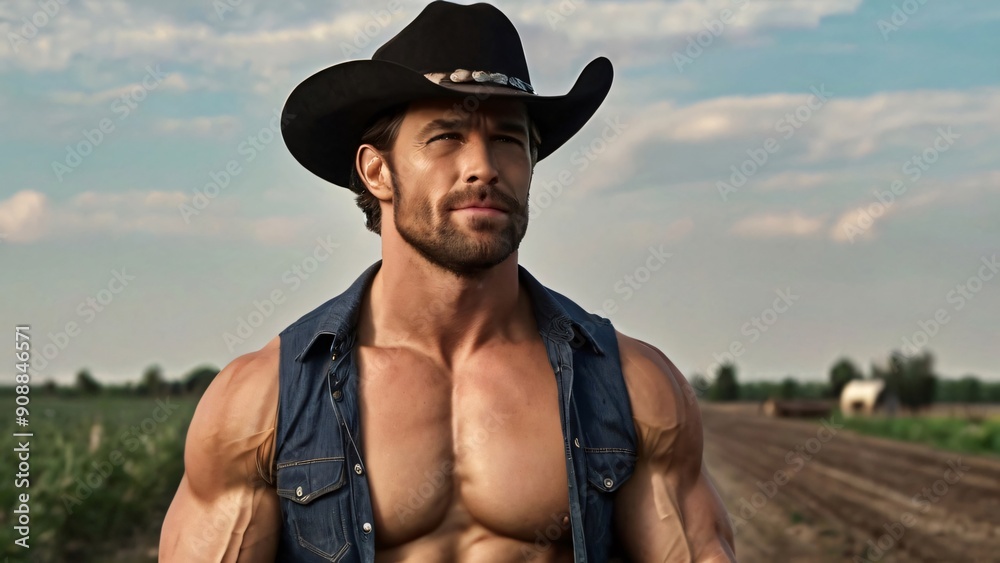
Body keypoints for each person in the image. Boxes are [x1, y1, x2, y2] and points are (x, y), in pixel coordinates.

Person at [160, 2, 735, 561]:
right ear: (376, 171)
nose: (483, 164)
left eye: (509, 139)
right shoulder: (262, 403)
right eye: (446, 137)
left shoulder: (632, 389)